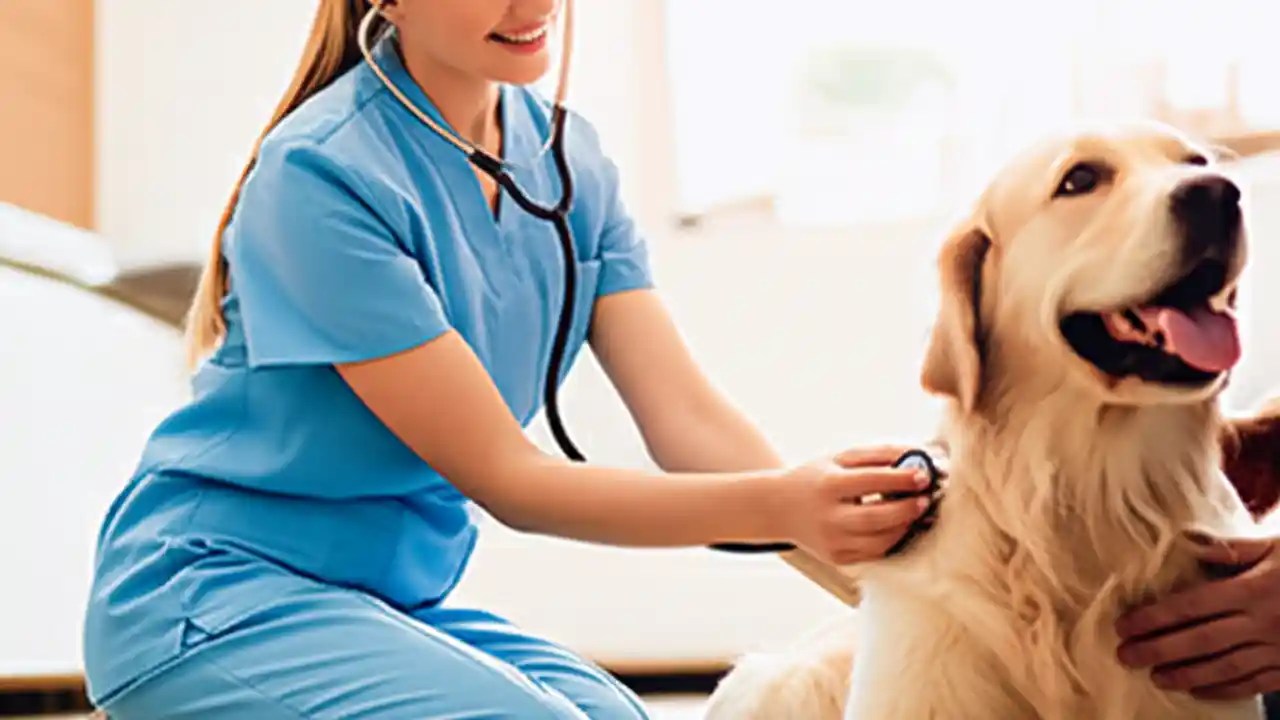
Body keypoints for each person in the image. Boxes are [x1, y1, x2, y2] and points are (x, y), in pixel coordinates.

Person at [81, 1, 936, 718]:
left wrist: (926, 615)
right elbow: (510, 480)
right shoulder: (320, 176)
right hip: (211, 599)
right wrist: (787, 505)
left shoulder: (569, 161)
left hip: (381, 603)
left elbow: (688, 423)